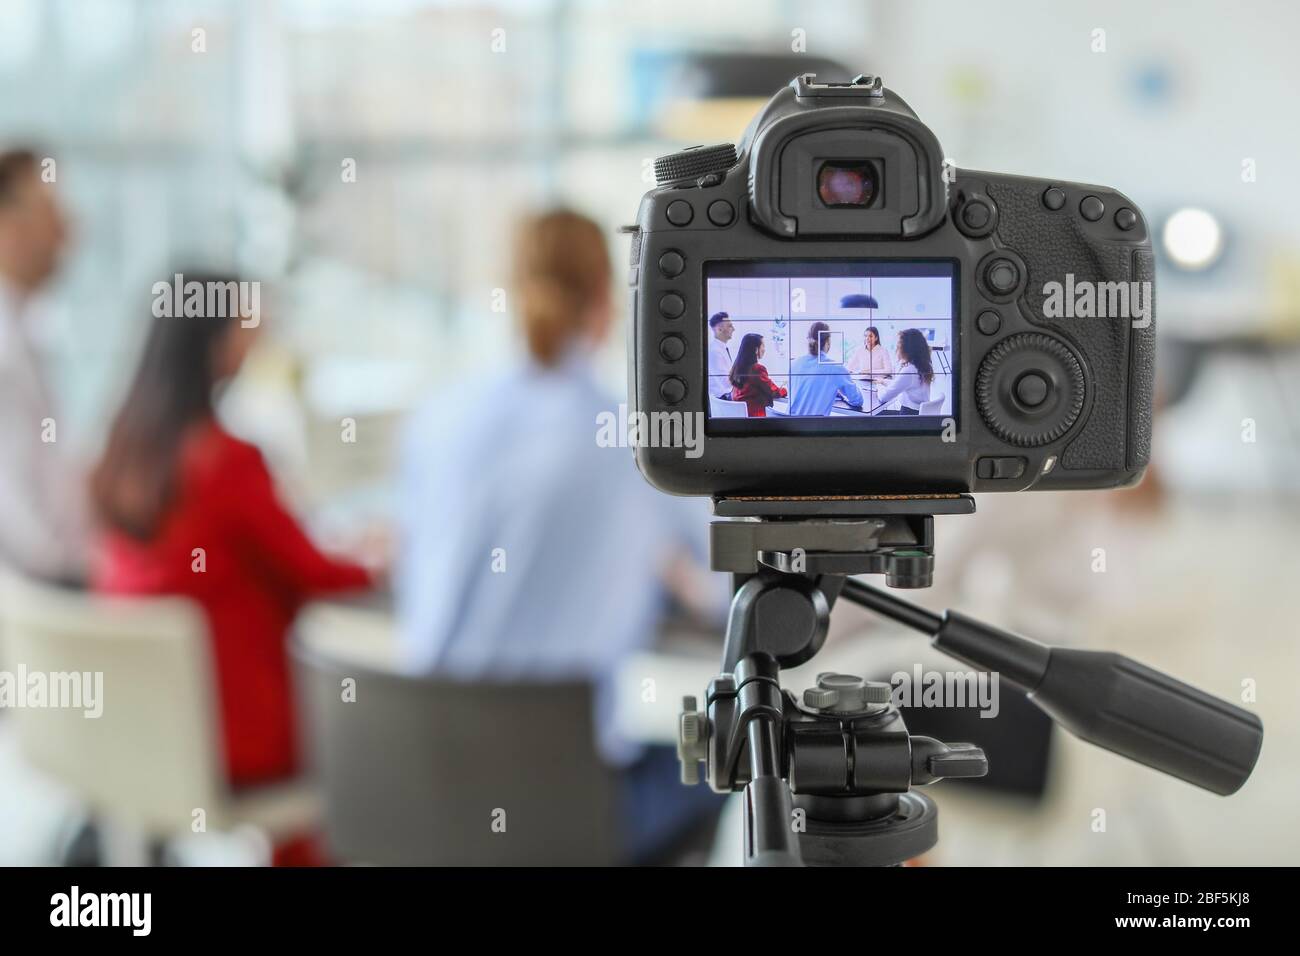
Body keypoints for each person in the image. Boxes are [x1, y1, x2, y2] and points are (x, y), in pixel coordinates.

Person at [397, 209, 726, 864]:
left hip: (435, 794)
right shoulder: (638, 441)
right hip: (569, 814)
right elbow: (726, 591)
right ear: (608, 304)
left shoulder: (439, 416)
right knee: (722, 759)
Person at [90, 273, 375, 804]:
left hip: (143, 733)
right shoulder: (228, 463)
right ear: (213, 341)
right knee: (384, 720)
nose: (256, 340)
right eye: (245, 327)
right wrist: (384, 557)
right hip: (239, 739)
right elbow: (320, 575)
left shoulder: (122, 448)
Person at [0, 147, 87, 582]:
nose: (68, 231)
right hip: (39, 597)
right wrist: (79, 576)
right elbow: (16, 520)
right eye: (50, 213)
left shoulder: (26, 331)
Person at [788, 321, 864, 416]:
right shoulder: (836, 368)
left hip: (789, 427)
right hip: (814, 428)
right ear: (828, 341)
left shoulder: (794, 364)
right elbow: (858, 400)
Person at [874, 328, 935, 414]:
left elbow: (883, 397)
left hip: (909, 418)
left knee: (874, 415)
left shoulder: (909, 370)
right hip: (918, 415)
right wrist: (883, 381)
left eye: (899, 345)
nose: (896, 348)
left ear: (907, 348)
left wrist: (878, 388)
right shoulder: (923, 365)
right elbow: (901, 383)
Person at [728, 332, 786, 417]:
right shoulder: (757, 369)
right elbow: (774, 392)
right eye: (763, 346)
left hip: (740, 418)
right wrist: (785, 390)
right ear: (756, 349)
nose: (764, 349)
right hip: (756, 419)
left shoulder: (736, 368)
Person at [707, 311, 736, 399]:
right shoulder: (715, 351)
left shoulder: (721, 348)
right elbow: (726, 382)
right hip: (722, 398)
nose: (733, 329)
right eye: (730, 326)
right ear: (719, 329)